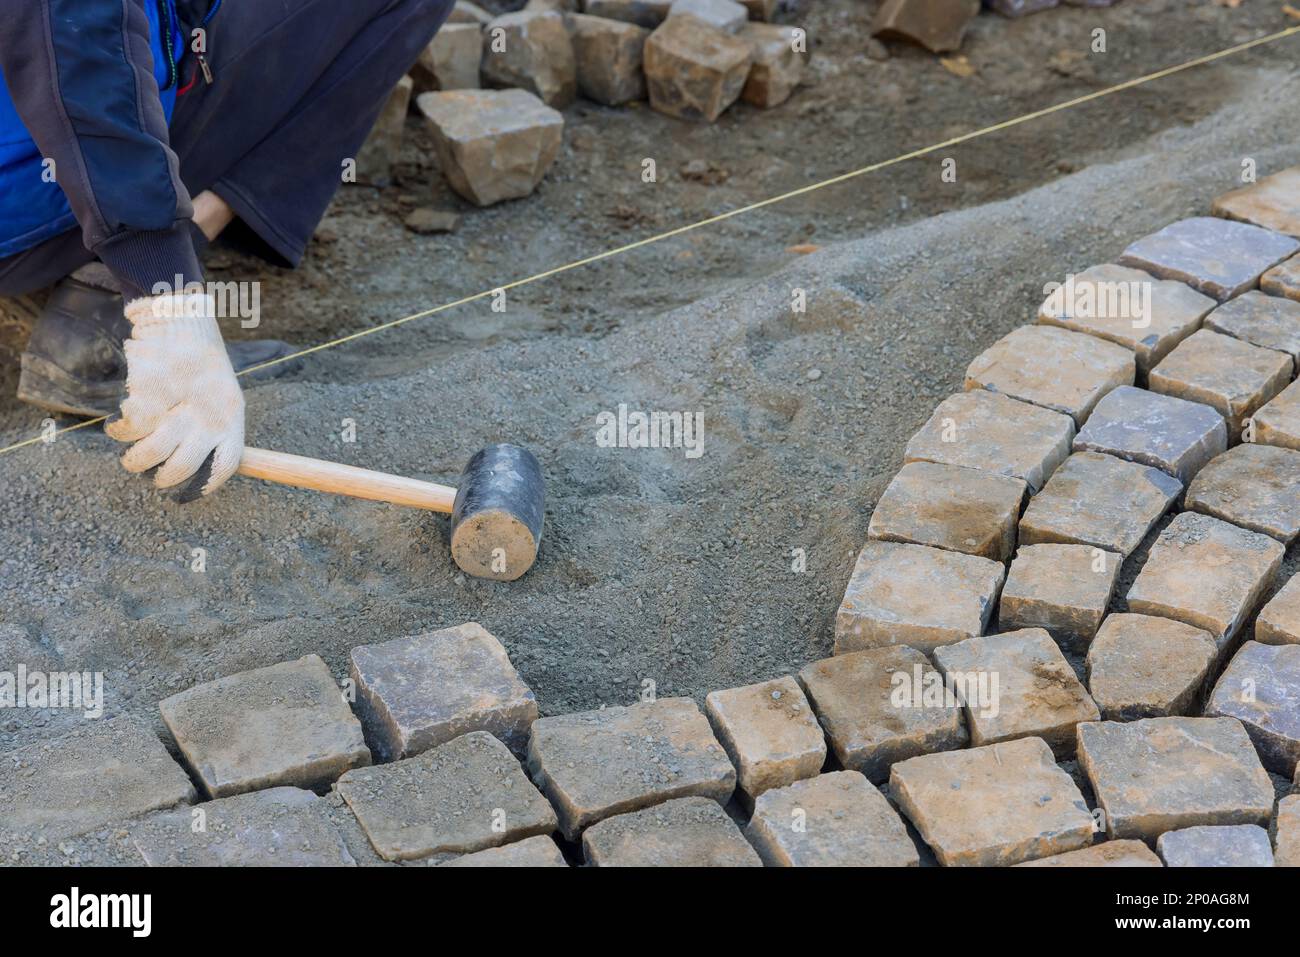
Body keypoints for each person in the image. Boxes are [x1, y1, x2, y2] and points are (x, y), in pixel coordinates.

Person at [0, 0, 455, 494]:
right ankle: (116, 293)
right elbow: (75, 43)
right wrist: (166, 299)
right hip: (39, 186)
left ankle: (125, 265)